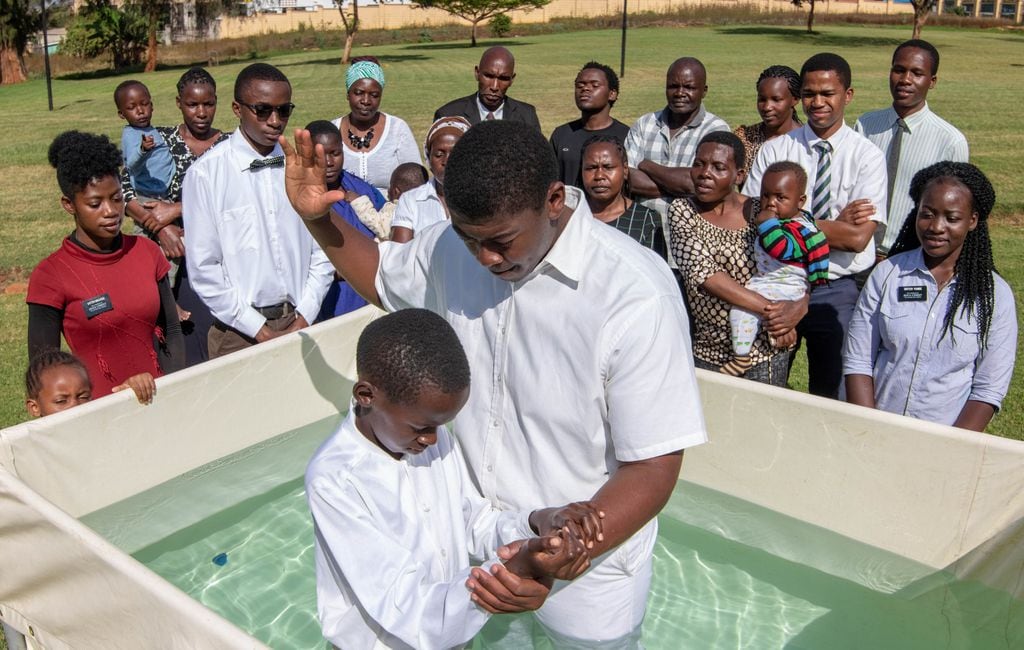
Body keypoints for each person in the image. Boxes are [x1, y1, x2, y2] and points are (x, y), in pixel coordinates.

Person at [284, 119, 708, 647]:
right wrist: (319, 221)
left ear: (554, 199)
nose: (484, 258)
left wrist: (567, 549)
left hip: (588, 566)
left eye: (501, 242)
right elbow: (382, 275)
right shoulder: (454, 248)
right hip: (481, 547)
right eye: (469, 238)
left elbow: (654, 462)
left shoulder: (635, 294)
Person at [307, 307, 603, 649]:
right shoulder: (335, 480)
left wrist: (538, 524)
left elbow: (473, 521)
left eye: (440, 425)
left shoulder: (425, 437)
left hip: (454, 633)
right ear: (366, 396)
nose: (433, 439)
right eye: (422, 427)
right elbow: (404, 605)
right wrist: (511, 573)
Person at [743, 52, 887, 399]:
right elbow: (753, 216)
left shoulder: (867, 156)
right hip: (776, 280)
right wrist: (831, 226)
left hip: (836, 287)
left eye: (828, 93)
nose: (817, 103)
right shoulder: (776, 150)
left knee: (830, 392)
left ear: (847, 95)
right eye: (809, 94)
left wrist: (784, 222)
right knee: (762, 383)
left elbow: (856, 239)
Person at [844, 162, 1017, 432]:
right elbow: (858, 359)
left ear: (972, 221)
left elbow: (988, 388)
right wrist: (869, 430)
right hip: (874, 428)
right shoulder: (888, 274)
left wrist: (951, 447)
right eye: (927, 214)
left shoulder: (995, 296)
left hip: (945, 443)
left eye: (952, 218)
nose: (936, 226)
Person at [183, 63, 334, 358]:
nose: (275, 121)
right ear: (237, 108)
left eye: (284, 110)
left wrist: (305, 314)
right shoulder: (206, 175)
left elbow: (323, 247)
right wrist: (258, 329)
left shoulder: (302, 167)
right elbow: (204, 268)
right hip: (238, 332)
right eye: (262, 110)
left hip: (302, 320)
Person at [26, 131, 184, 398]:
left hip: (162, 402)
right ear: (69, 204)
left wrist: (175, 388)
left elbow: (172, 329)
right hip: (99, 415)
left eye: (116, 198)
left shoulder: (146, 252)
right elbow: (44, 370)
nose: (111, 211)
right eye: (95, 203)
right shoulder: (50, 275)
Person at [669, 132, 808, 387]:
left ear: (740, 175)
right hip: (710, 352)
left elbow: (801, 254)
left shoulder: (762, 210)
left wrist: (799, 305)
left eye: (718, 167)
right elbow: (707, 276)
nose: (704, 173)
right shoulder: (682, 211)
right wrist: (776, 315)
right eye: (699, 164)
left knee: (762, 425)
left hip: (764, 351)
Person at [120, 67, 229, 366]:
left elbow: (236, 199)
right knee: (179, 353)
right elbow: (125, 188)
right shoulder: (158, 139)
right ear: (178, 103)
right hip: (168, 255)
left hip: (221, 261)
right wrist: (159, 228)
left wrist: (178, 210)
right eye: (192, 104)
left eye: (208, 104)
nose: (201, 112)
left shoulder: (230, 146)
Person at [854, 39, 969, 260]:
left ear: (932, 81)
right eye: (899, 70)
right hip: (858, 254)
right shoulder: (866, 125)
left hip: (910, 257)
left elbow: (954, 211)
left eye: (917, 73)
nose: (905, 80)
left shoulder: (950, 141)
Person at [722, 161, 829, 377]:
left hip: (785, 286)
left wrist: (766, 225)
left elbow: (780, 249)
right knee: (748, 313)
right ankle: (760, 344)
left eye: (780, 198)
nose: (771, 203)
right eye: (765, 196)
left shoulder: (798, 228)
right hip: (770, 283)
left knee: (742, 312)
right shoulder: (787, 220)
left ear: (801, 201)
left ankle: (742, 355)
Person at [625, 57, 730, 269]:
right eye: (673, 86)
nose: (680, 93)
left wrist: (647, 165)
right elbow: (627, 178)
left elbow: (696, 185)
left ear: (704, 90)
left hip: (692, 250)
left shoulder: (716, 130)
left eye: (689, 87)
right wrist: (679, 183)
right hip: (642, 244)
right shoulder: (645, 124)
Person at [306, 119, 387, 319]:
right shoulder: (300, 200)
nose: (329, 162)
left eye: (335, 153)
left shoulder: (362, 190)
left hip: (369, 303)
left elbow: (387, 230)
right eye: (320, 155)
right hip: (326, 307)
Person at [332, 57, 421, 197]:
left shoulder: (397, 129)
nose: (366, 101)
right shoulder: (332, 130)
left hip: (391, 212)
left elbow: (416, 181)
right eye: (359, 93)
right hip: (343, 213)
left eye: (374, 95)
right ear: (348, 94)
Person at [389, 116, 471, 243]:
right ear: (428, 157)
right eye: (439, 155)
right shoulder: (411, 201)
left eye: (456, 153)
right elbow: (400, 255)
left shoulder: (485, 199)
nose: (446, 161)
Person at [549, 61, 630, 188]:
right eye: (579, 85)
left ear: (612, 94)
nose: (585, 89)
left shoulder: (627, 136)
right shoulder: (562, 134)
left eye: (594, 85)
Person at [580, 136, 665, 255]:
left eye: (608, 167)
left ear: (625, 170)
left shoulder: (646, 219)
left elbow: (655, 271)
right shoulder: (572, 215)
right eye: (591, 168)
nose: (599, 176)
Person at [433, 46, 541, 130]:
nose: (494, 87)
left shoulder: (527, 116)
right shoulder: (448, 115)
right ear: (477, 73)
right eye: (489, 76)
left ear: (512, 80)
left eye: (503, 78)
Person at [25, 350, 157, 416]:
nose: (75, 406)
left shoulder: (102, 426)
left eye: (83, 397)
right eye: (61, 401)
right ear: (34, 407)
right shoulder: (29, 452)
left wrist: (131, 397)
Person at [733, 65, 802, 184]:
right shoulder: (745, 139)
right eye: (762, 99)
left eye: (776, 100)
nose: (767, 107)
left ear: (795, 99)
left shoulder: (806, 140)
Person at [114, 80, 175, 206]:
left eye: (144, 104)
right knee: (153, 224)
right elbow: (131, 164)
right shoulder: (131, 134)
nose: (140, 111)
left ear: (152, 106)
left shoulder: (151, 129)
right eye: (132, 107)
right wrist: (142, 150)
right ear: (121, 114)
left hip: (164, 191)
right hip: (149, 195)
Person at [348, 162, 429, 241]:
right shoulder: (424, 210)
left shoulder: (397, 209)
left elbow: (380, 226)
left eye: (390, 186)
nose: (388, 190)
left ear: (396, 191)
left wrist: (358, 201)